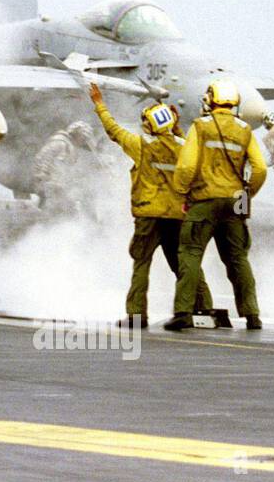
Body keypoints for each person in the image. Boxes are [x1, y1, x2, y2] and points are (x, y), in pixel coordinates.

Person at [89, 84, 211, 329]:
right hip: (177, 215)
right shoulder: (184, 147)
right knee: (184, 264)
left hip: (148, 215)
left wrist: (99, 104)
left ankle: (137, 315)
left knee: (141, 263)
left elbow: (113, 131)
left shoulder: (141, 146)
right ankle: (205, 309)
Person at [166, 79, 268, 331]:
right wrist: (247, 194)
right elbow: (260, 168)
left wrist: (181, 191)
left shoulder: (200, 127)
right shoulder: (245, 129)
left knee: (189, 255)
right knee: (238, 259)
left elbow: (187, 165)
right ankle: (252, 315)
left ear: (210, 101)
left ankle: (183, 313)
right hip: (235, 203)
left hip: (204, 201)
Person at [32, 120, 100, 216]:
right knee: (57, 215)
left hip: (60, 187)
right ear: (76, 134)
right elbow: (43, 161)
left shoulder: (69, 146)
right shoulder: (60, 143)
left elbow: (67, 170)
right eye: (83, 137)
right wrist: (42, 183)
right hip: (52, 186)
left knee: (68, 214)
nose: (83, 141)